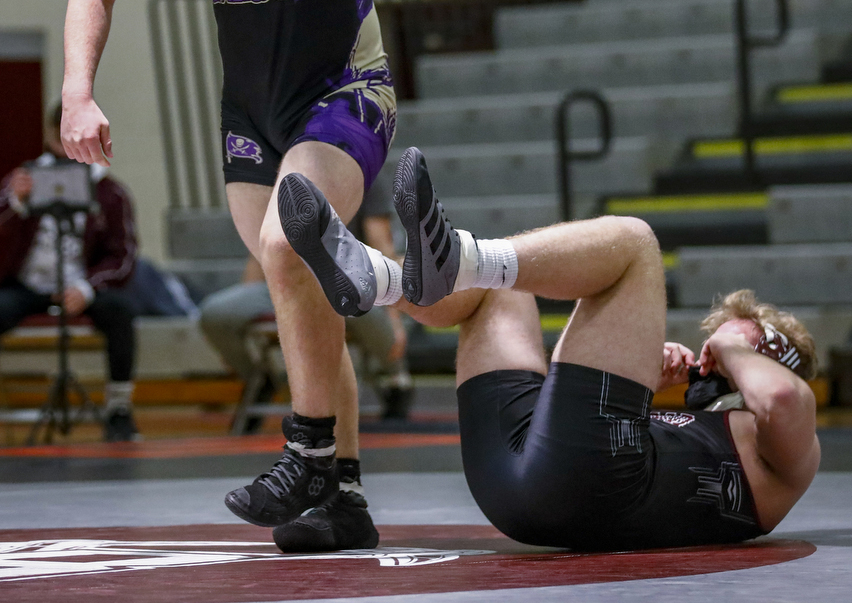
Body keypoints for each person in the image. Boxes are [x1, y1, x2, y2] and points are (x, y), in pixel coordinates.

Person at [60, 0, 525, 541]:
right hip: (253, 118)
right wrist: (77, 89)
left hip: (347, 92)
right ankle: (342, 498)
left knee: (288, 241)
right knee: (301, 282)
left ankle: (307, 452)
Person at [277, 146, 821, 552]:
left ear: (775, 355)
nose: (709, 355)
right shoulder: (703, 425)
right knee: (501, 296)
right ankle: (379, 280)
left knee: (635, 244)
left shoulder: (787, 447)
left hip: (591, 488)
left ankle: (459, 258)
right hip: (517, 489)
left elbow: (785, 400)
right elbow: (584, 421)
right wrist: (643, 385)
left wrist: (732, 347)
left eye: (725, 347)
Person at [200, 174, 413, 433]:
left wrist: (393, 315)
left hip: (347, 280)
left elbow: (381, 244)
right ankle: (260, 377)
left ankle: (395, 377)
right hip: (287, 284)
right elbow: (262, 252)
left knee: (361, 305)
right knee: (215, 313)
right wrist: (244, 310)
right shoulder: (281, 178)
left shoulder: (362, 176)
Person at [0, 103, 140, 442]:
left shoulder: (110, 191)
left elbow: (123, 256)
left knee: (120, 312)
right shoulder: (22, 181)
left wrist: (88, 287)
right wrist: (14, 206)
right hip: (26, 286)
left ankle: (119, 407)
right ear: (50, 137)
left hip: (81, 286)